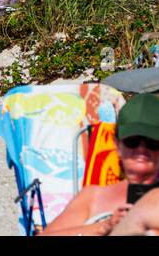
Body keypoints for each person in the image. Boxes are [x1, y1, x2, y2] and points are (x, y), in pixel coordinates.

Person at [42, 94, 159, 235]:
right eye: (132, 141)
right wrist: (105, 226)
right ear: (117, 145)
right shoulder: (93, 195)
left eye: (152, 143)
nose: (141, 149)